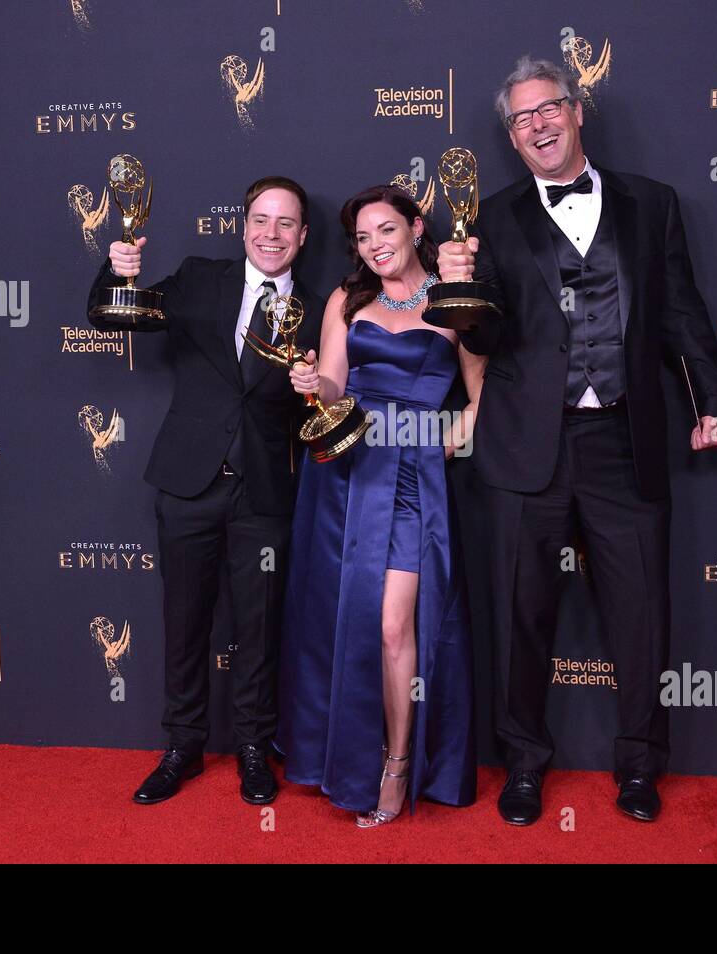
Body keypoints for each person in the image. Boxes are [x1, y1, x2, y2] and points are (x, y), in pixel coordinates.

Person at [436, 57, 717, 825]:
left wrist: (709, 401)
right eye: (522, 117)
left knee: (641, 617)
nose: (539, 124)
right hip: (524, 447)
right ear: (511, 134)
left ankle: (640, 767)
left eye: (550, 108)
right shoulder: (492, 217)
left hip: (624, 441)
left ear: (577, 111)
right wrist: (458, 290)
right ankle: (524, 767)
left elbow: (681, 316)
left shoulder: (653, 205)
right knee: (518, 617)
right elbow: (487, 333)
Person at [86, 176, 324, 807]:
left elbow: (324, 412)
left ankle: (253, 747)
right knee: (184, 621)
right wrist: (117, 271)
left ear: (302, 236)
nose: (271, 234)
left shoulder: (322, 310)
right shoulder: (197, 279)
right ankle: (183, 747)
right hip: (188, 484)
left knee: (259, 625)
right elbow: (109, 315)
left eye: (285, 224)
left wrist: (315, 386)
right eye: (260, 221)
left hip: (266, 492)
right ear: (243, 226)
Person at [276, 185, 484, 826]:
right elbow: (336, 381)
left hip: (410, 479)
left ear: (417, 227)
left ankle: (396, 766)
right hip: (345, 473)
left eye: (386, 232)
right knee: (344, 620)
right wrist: (315, 385)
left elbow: (480, 397)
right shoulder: (348, 298)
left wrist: (446, 442)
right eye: (363, 239)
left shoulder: (454, 303)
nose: (375, 248)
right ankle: (339, 757)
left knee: (396, 627)